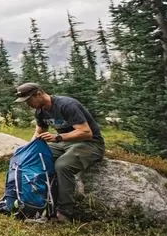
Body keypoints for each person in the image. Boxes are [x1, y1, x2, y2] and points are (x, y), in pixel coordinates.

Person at [14, 82, 105, 222]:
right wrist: (28, 150)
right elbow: (39, 132)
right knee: (37, 157)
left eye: (28, 100)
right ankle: (38, 203)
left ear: (38, 94)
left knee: (62, 165)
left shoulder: (67, 105)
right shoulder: (40, 111)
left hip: (90, 144)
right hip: (65, 143)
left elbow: (86, 132)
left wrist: (58, 137)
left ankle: (64, 212)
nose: (28, 105)